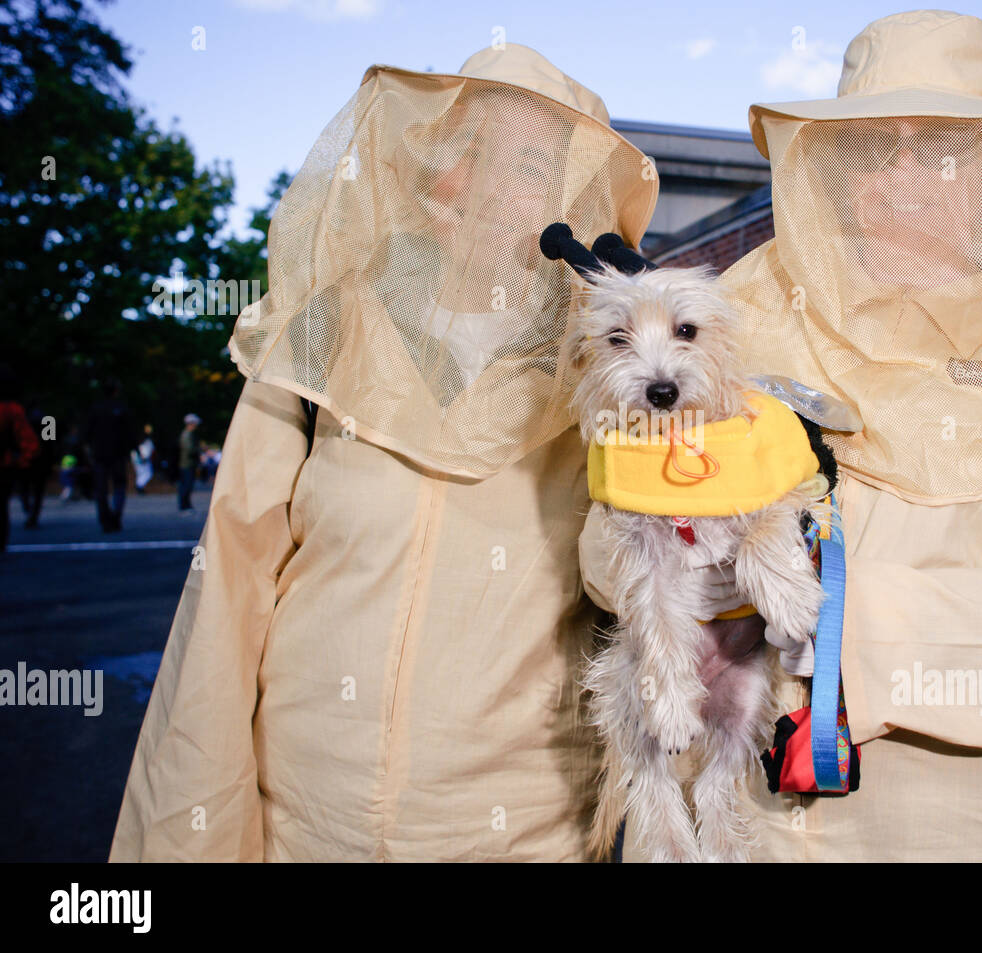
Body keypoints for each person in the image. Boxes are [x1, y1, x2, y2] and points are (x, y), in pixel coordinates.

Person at [581, 11, 982, 861]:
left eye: (937, 141)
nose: (902, 175)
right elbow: (604, 531)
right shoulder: (736, 313)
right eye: (873, 146)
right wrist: (691, 581)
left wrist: (849, 624)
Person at [110, 44, 657, 861]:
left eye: (530, 166)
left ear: (573, 202)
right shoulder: (322, 339)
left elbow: (630, 592)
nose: (477, 185)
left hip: (519, 834)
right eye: (463, 152)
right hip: (303, 825)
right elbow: (224, 601)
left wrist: (660, 405)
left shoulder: (609, 377)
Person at [84, 378, 137, 533]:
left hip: (100, 454)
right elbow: (130, 433)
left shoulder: (96, 408)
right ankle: (116, 516)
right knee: (119, 485)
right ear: (116, 391)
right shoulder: (121, 408)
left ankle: (105, 519)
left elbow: (86, 434)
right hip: (118, 454)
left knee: (101, 489)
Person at [0, 365, 40, 552]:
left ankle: (29, 510)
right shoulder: (17, 411)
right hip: (19, 459)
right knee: (33, 489)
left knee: (26, 489)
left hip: (15, 457)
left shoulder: (16, 410)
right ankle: (32, 513)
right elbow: (45, 438)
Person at [176, 414, 199, 511]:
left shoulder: (189, 434)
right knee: (186, 485)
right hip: (186, 463)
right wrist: (199, 450)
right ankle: (184, 505)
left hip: (188, 463)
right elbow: (189, 449)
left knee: (187, 485)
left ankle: (186, 504)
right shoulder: (187, 435)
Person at [130, 424, 154, 494]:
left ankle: (139, 487)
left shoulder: (147, 440)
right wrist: (142, 458)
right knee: (146, 473)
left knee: (144, 473)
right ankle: (139, 487)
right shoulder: (143, 440)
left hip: (141, 459)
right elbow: (138, 449)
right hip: (140, 459)